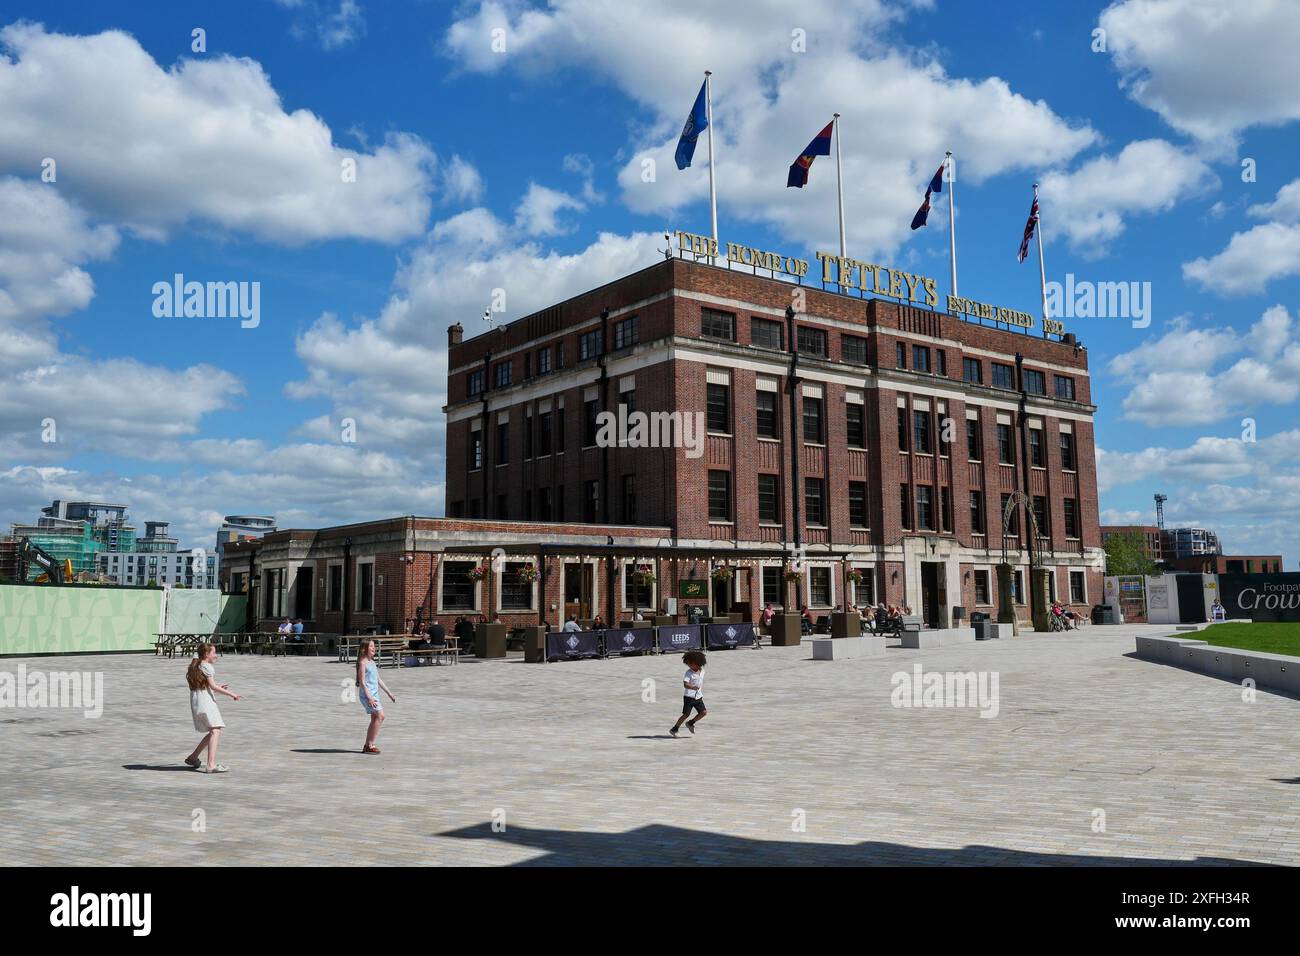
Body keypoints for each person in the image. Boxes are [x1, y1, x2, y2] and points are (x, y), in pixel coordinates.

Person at [185, 643, 240, 773]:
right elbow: (213, 687)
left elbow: (204, 687)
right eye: (214, 653)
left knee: (213, 731)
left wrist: (218, 686)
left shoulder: (196, 666)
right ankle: (211, 765)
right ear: (206, 654)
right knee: (215, 731)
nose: (216, 656)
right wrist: (233, 694)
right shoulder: (207, 667)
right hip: (206, 702)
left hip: (197, 701)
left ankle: (193, 758)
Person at [356, 638, 396, 754]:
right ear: (364, 649)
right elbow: (362, 682)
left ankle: (367, 745)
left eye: (374, 646)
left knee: (375, 718)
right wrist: (369, 697)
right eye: (371, 646)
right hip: (367, 695)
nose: (374, 648)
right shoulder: (363, 663)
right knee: (380, 716)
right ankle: (370, 745)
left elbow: (378, 679)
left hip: (374, 694)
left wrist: (389, 693)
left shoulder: (372, 662)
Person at [669, 650, 708, 737]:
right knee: (686, 714)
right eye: (688, 663)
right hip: (689, 697)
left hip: (698, 697)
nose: (689, 665)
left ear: (698, 662)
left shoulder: (702, 671)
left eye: (691, 663)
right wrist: (692, 687)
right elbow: (685, 684)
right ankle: (674, 729)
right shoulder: (688, 673)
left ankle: (690, 723)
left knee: (703, 712)